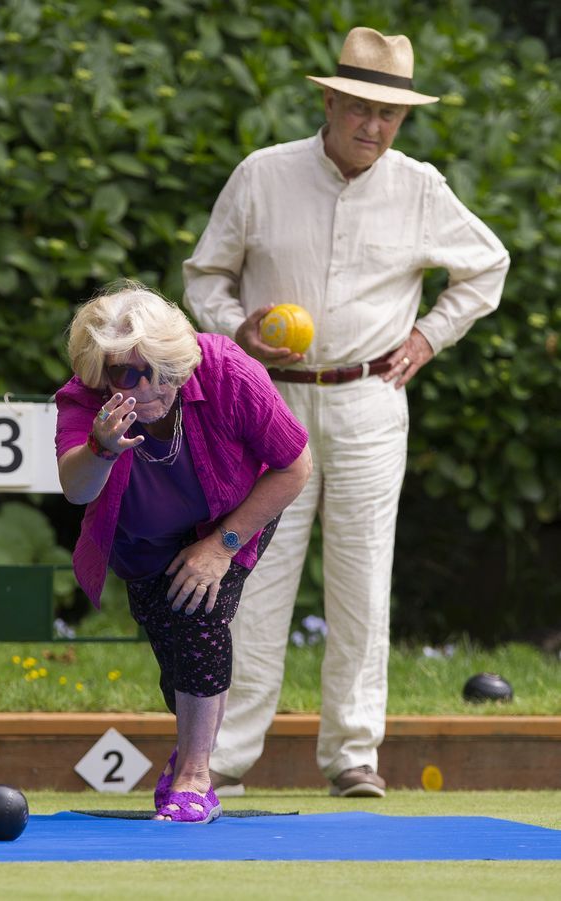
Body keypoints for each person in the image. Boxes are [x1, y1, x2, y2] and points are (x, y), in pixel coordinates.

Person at [183, 26, 510, 798]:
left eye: (389, 115)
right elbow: (204, 276)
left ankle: (354, 755)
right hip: (268, 407)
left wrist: (429, 335)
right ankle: (223, 755)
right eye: (360, 107)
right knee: (253, 579)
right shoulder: (262, 175)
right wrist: (238, 332)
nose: (373, 125)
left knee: (363, 581)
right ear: (328, 100)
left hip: (371, 399)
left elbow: (488, 266)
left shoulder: (421, 187)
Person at [55, 283, 311, 822]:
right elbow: (77, 490)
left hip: (229, 519)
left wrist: (221, 548)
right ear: (100, 373)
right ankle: (189, 752)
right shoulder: (84, 400)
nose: (150, 385)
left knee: (200, 615)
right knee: (176, 665)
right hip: (141, 542)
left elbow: (295, 466)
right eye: (128, 373)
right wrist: (100, 448)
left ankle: (196, 780)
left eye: (164, 370)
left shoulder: (227, 372)